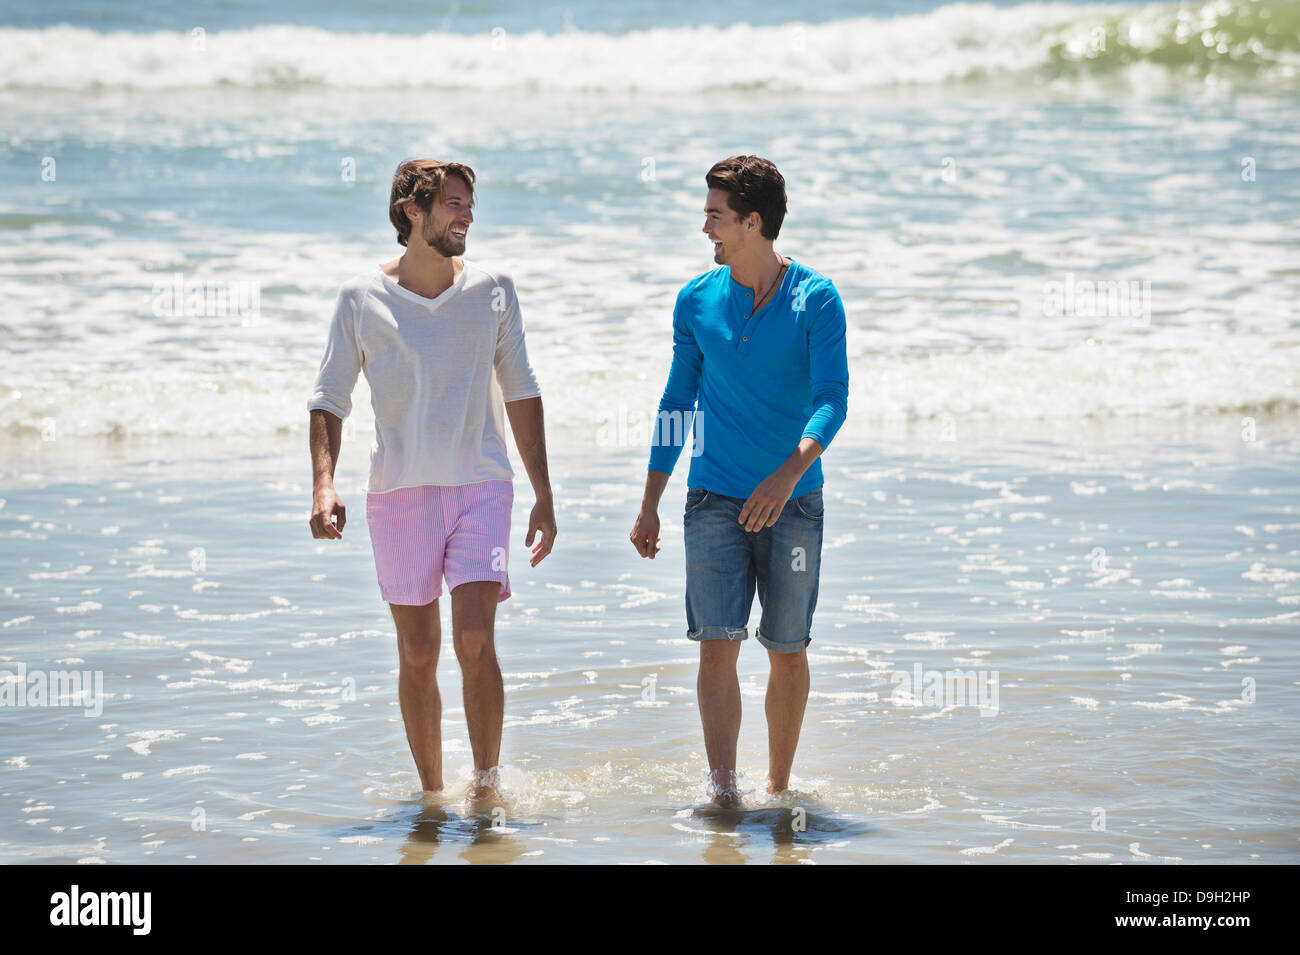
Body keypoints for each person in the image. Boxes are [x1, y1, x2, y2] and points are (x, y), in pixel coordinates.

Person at [307, 159, 556, 799]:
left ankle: (486, 788)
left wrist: (544, 495)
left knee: (475, 639)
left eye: (469, 203)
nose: (466, 215)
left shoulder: (494, 289)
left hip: (482, 487)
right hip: (398, 496)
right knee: (418, 652)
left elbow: (522, 390)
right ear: (411, 212)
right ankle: (432, 794)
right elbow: (330, 399)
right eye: (452, 203)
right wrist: (323, 484)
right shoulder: (361, 299)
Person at [629, 155, 849, 808]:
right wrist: (651, 500)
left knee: (787, 648)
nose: (706, 229)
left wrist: (788, 474)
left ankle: (778, 787)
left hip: (795, 504)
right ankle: (723, 790)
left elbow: (832, 400)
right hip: (714, 500)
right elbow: (678, 402)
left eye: (715, 216)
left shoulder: (817, 298)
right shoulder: (696, 300)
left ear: (752, 222)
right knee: (716, 645)